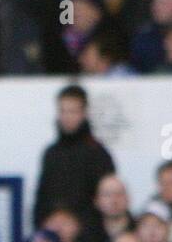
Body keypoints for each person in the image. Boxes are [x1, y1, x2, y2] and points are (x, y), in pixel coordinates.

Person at [32, 84, 115, 229]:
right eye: (63, 111)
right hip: (53, 235)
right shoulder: (51, 153)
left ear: (84, 113)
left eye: (73, 111)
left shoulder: (98, 154)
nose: (67, 117)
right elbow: (41, 200)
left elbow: (106, 203)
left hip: (90, 236)